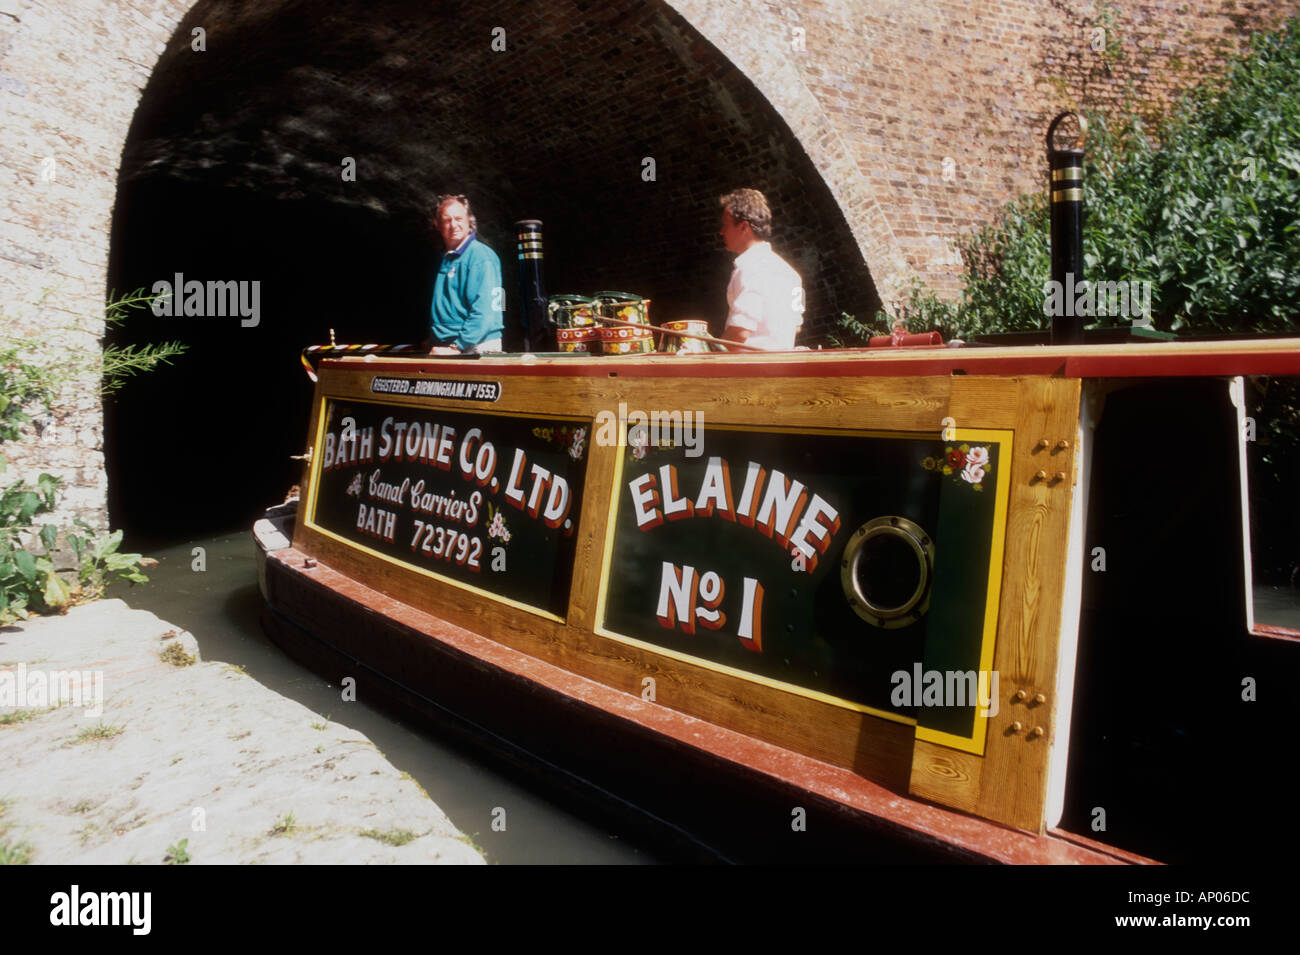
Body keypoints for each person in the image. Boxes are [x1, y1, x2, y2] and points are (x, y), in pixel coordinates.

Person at [717, 188, 804, 350]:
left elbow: (740, 332)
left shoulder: (750, 269)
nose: (721, 232)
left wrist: (710, 357)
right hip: (783, 366)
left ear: (744, 227)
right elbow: (796, 326)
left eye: (725, 225)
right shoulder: (792, 274)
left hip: (751, 370)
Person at [427, 194, 504, 354]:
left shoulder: (482, 257)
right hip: (450, 345)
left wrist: (456, 347)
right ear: (437, 224)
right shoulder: (444, 258)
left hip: (475, 346)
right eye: (447, 220)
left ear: (469, 221)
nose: (453, 225)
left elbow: (486, 313)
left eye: (458, 218)